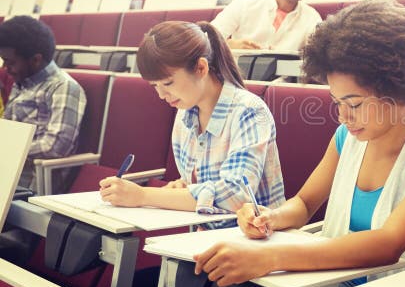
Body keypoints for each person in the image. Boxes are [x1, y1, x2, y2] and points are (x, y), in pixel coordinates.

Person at [193, 0, 405, 287]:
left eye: (354, 103)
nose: (343, 116)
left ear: (397, 90)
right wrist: (270, 217)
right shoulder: (345, 138)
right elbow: (304, 204)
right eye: (337, 102)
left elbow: (389, 243)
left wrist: (269, 257)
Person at [98, 21, 285, 222]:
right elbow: (204, 184)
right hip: (203, 235)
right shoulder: (184, 113)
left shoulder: (248, 111)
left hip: (256, 241)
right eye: (155, 86)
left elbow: (236, 196)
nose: (161, 94)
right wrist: (183, 186)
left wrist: (143, 195)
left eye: (168, 83)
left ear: (201, 68)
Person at [0, 15, 86, 191]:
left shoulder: (63, 87)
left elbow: (56, 147)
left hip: (34, 182)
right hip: (9, 172)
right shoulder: (23, 81)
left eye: (10, 62)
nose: (5, 68)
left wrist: (9, 148)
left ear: (36, 59)